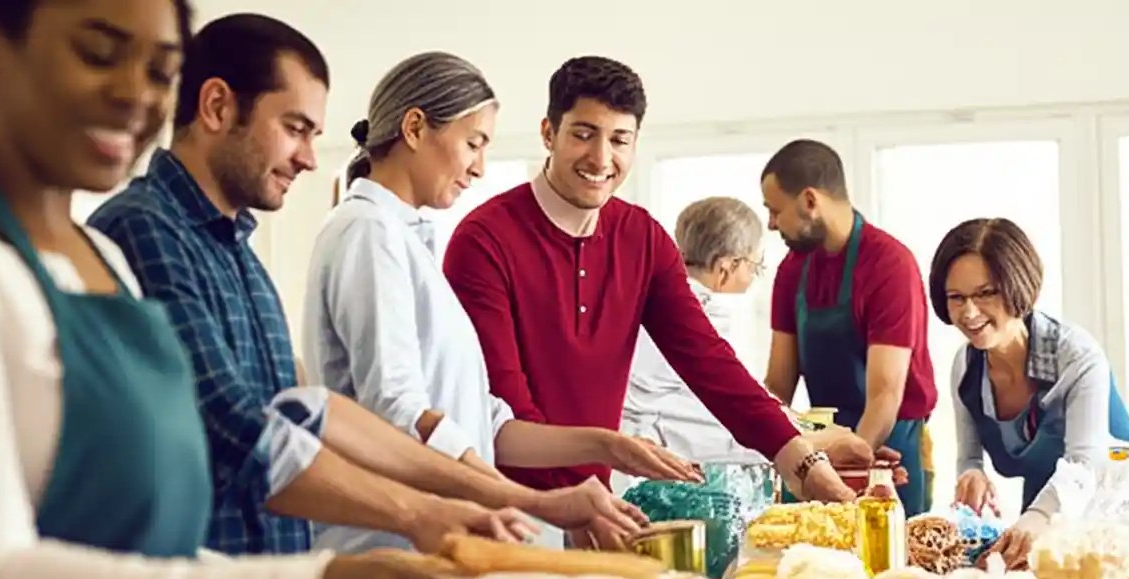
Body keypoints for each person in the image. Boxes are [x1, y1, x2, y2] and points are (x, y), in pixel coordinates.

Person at [0, 2, 500, 579]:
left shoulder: (103, 259)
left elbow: (151, 547)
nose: (137, 93)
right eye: (98, 51)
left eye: (160, 70)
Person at [302, 52, 695, 553]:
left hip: (436, 536)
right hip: (393, 543)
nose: (481, 167)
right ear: (416, 128)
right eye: (474, 143)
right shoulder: (367, 232)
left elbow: (482, 418)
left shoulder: (402, 238)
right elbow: (398, 410)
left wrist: (606, 445)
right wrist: (525, 500)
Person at [443, 56, 869, 518]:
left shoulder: (642, 239)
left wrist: (806, 463)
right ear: (549, 133)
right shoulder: (483, 241)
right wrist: (579, 495)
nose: (601, 158)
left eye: (619, 139)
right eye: (583, 134)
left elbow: (710, 363)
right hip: (507, 510)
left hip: (596, 504)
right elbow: (505, 409)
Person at [929, 218, 1129, 567]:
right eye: (956, 297)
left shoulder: (1077, 356)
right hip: (1043, 511)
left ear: (1018, 286)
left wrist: (1037, 518)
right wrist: (972, 476)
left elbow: (1085, 464)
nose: (969, 313)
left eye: (986, 293)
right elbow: (969, 458)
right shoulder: (966, 368)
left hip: (1119, 516)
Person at [761, 139, 938, 515]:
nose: (771, 223)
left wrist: (851, 466)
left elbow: (885, 397)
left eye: (775, 210)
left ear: (810, 201)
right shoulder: (792, 270)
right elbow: (778, 385)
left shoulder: (890, 265)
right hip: (822, 443)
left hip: (894, 443)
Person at [620, 196, 772, 465]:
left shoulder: (644, 299)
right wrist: (806, 440)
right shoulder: (711, 314)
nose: (752, 279)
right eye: (754, 267)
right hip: (646, 462)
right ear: (725, 268)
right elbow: (735, 410)